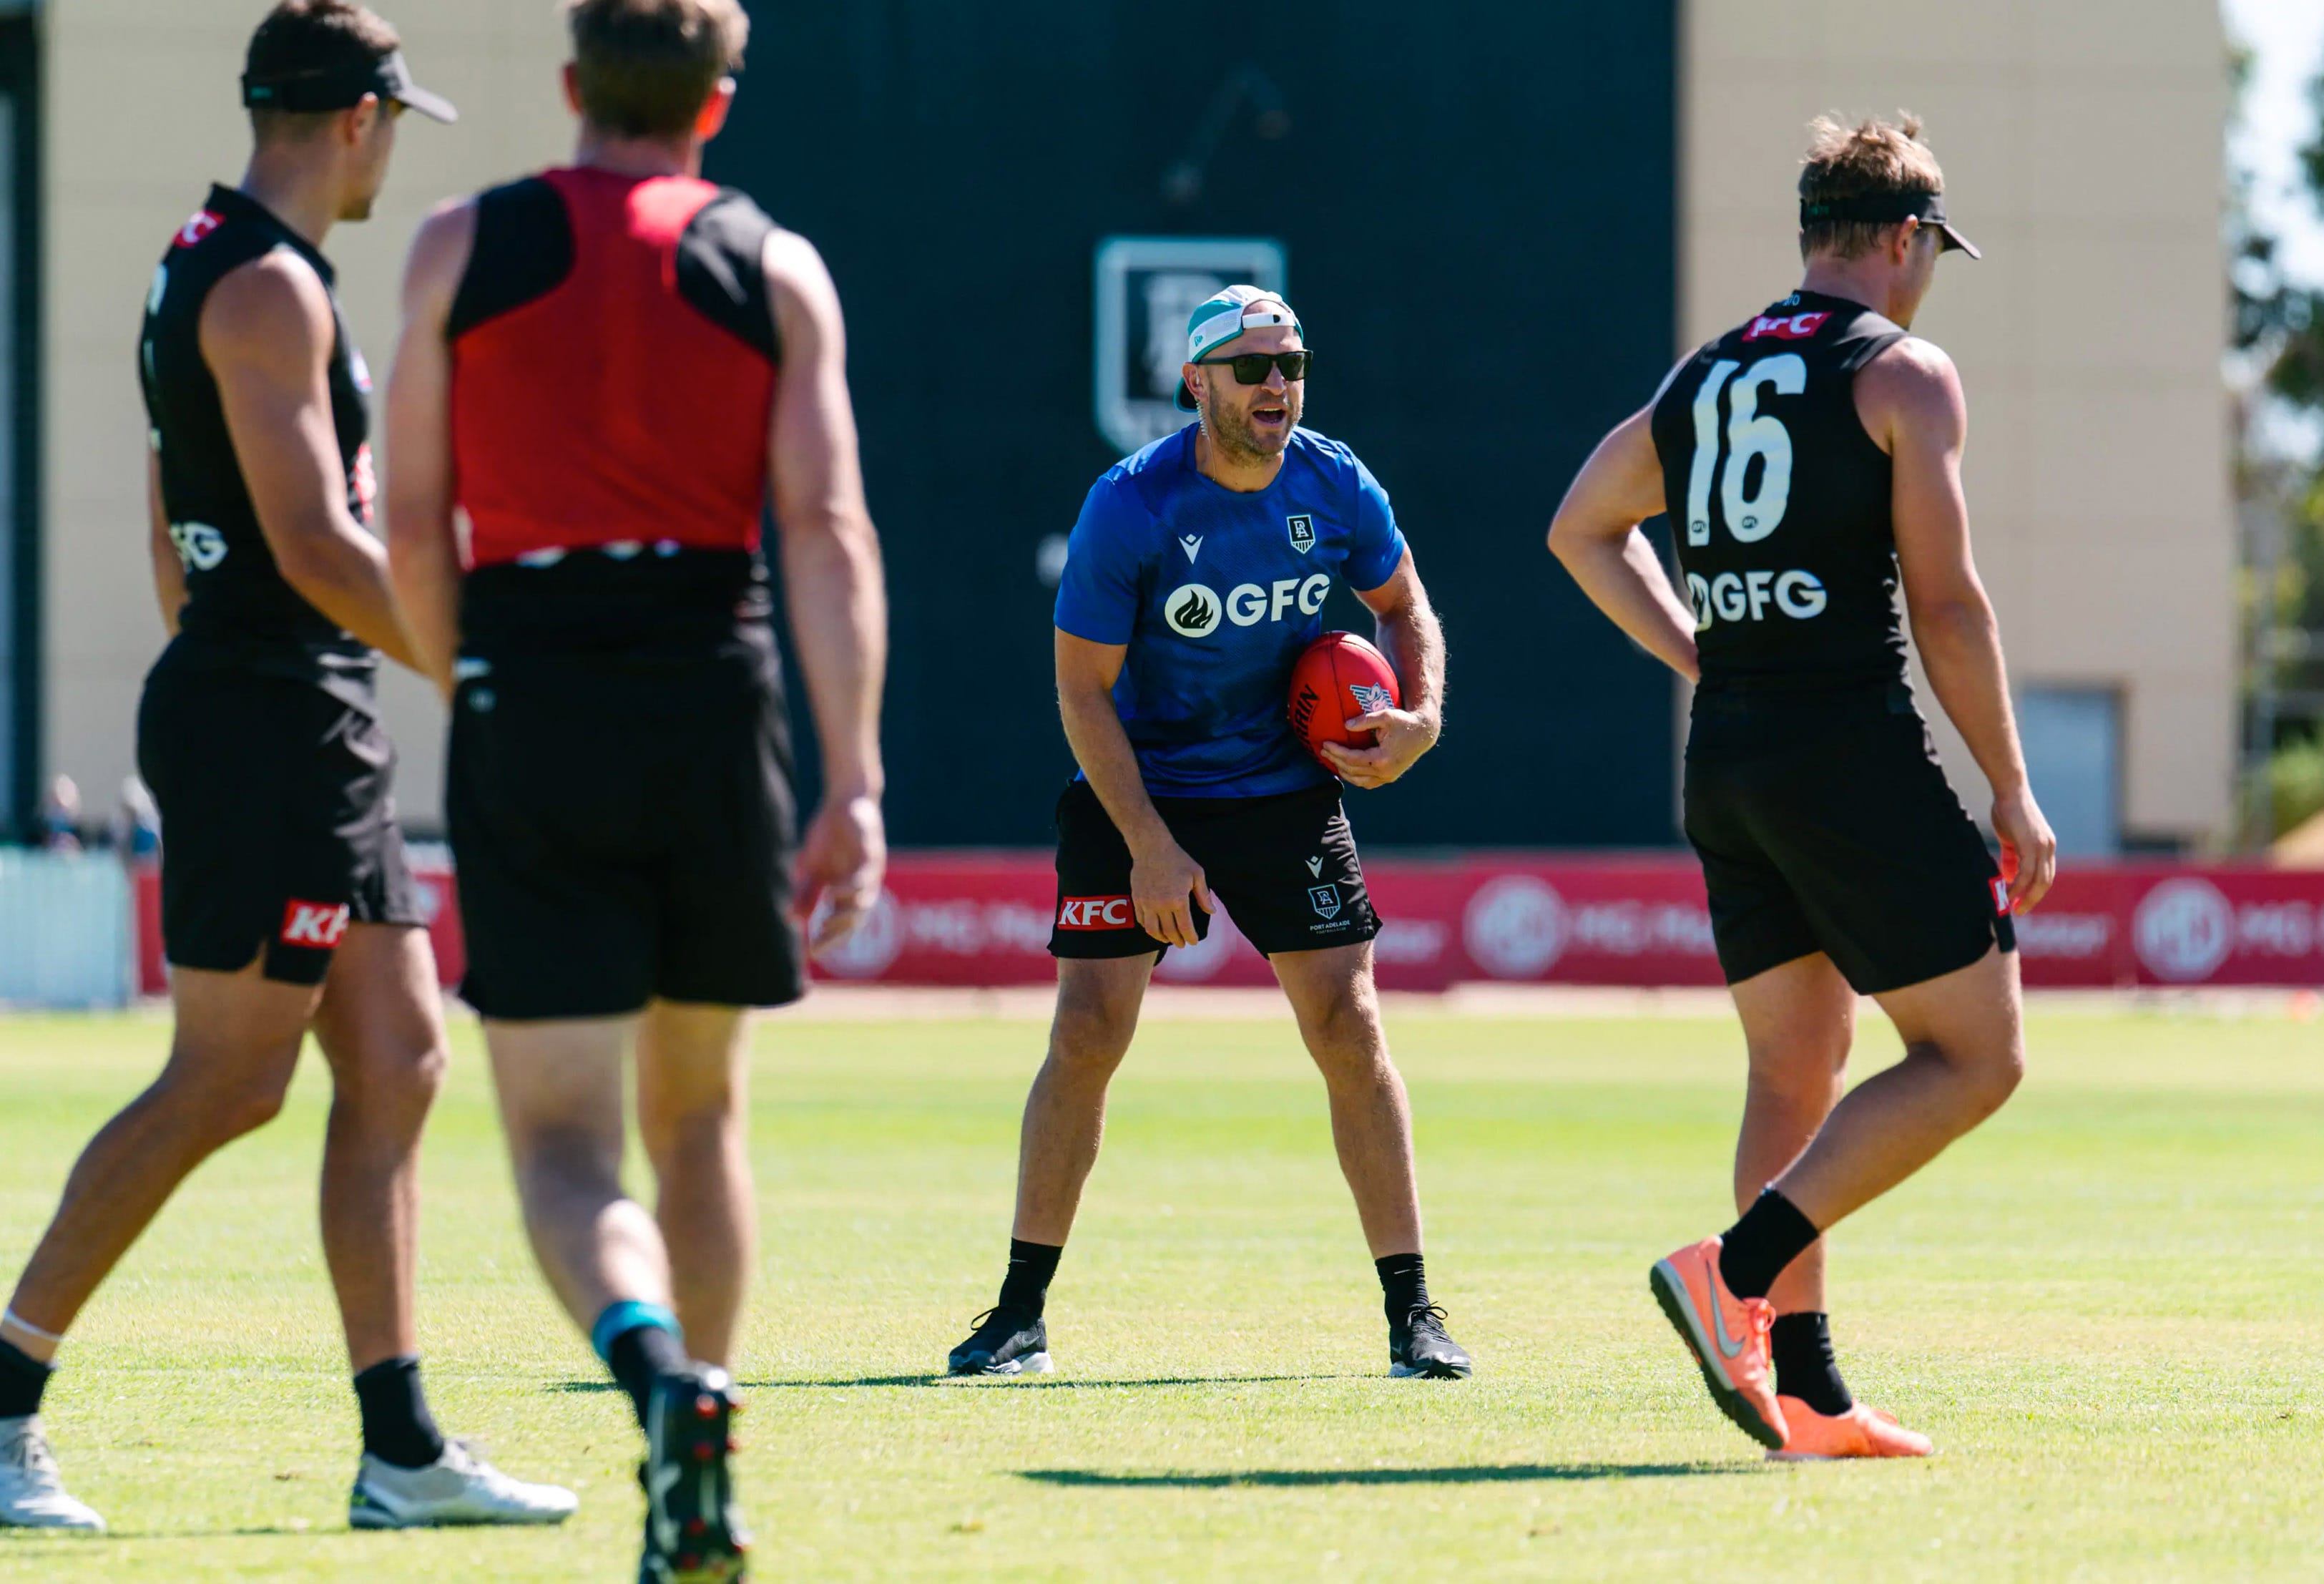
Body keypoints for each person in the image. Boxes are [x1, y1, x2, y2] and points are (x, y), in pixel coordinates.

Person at [0, 1, 577, 1535]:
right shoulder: (264, 284)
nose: (390, 157)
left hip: (287, 709)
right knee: (228, 1079)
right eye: (392, 128)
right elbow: (316, 541)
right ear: (356, 121)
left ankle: (401, 1450)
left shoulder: (212, 261)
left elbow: (169, 524)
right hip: (275, 718)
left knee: (398, 1059)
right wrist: (477, 672)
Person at [382, 0, 885, 1576]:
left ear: (571, 85)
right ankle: (700, 1458)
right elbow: (826, 530)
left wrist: (470, 682)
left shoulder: (460, 245)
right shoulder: (776, 265)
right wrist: (854, 777)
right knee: (701, 1113)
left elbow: (410, 520)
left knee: (561, 1143)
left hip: (527, 680)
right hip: (712, 682)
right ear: (716, 105)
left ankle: (660, 1384)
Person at [1546, 114, 2054, 1460]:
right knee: (1977, 1053)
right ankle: (1736, 1269)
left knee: (1793, 1069)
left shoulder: (1703, 375)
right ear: (1904, 239)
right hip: (1845, 749)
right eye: (1931, 252)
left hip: (1727, 753)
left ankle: (1810, 1396)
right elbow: (1946, 605)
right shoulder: (1905, 374)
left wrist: (1698, 651)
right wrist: (2011, 784)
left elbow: (1580, 527)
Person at [945, 285, 1472, 1384]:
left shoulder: (1335, 480)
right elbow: (1080, 691)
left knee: (1348, 1025)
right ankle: (1018, 1315)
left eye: (1291, 364)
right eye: (1251, 367)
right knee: (1087, 1032)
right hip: (1139, 786)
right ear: (1196, 383)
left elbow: (1403, 603)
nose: (1276, 384)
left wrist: (1421, 716)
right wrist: (1147, 841)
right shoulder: (1131, 504)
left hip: (1280, 789)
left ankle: (1414, 1315)